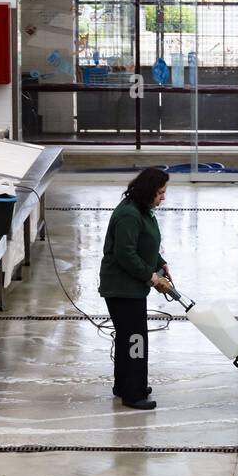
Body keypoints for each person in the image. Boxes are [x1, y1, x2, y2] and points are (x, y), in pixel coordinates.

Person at [99, 167, 172, 410]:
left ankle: (125, 385)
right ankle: (134, 393)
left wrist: (160, 264)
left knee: (127, 338)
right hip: (122, 288)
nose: (163, 197)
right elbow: (125, 254)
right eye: (160, 193)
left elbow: (146, 244)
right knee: (135, 339)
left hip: (131, 286)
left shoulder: (142, 210)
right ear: (148, 191)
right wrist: (151, 276)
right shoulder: (130, 214)